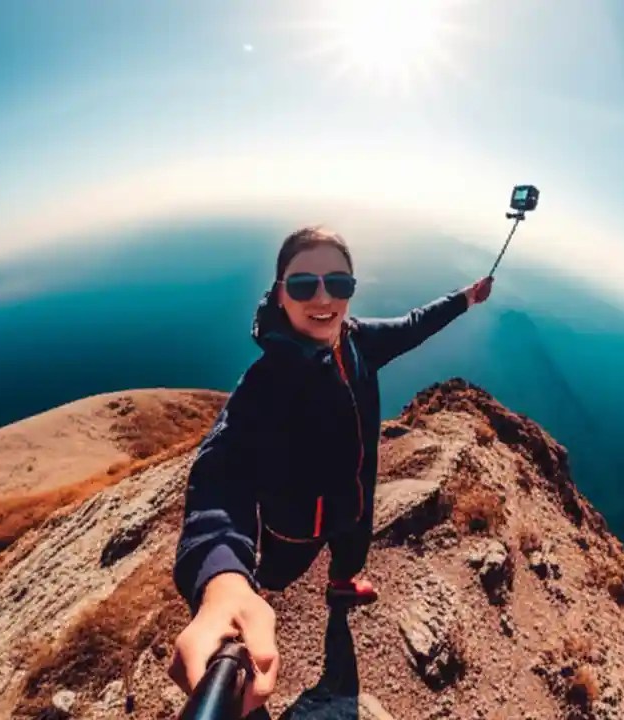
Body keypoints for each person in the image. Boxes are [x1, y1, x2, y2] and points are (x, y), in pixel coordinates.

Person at [169, 225, 494, 717]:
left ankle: (340, 585)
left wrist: (465, 299)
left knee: (352, 549)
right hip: (293, 525)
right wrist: (223, 581)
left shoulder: (359, 340)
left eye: (339, 284)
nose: (324, 298)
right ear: (279, 295)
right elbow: (218, 474)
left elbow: (413, 325)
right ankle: (252, 617)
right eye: (303, 285)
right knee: (273, 576)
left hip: (354, 500)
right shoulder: (266, 384)